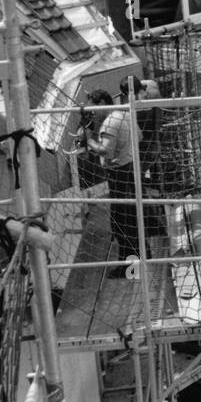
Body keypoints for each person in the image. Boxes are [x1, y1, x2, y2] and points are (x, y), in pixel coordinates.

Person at [84, 80, 141, 273]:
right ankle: (143, 256)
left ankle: (130, 268)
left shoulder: (110, 121)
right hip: (130, 170)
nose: (93, 113)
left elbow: (105, 151)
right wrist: (124, 150)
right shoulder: (124, 114)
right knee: (132, 218)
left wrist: (89, 140)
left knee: (121, 223)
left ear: (101, 103)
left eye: (93, 109)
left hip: (119, 176)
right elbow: (139, 136)